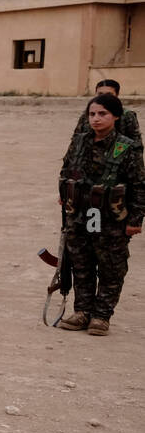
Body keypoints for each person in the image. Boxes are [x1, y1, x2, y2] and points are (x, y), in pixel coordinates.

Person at [56, 93, 145, 335]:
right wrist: (65, 194)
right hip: (79, 215)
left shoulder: (126, 147)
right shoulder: (80, 141)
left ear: (116, 116)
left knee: (111, 268)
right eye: (92, 114)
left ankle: (102, 316)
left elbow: (138, 185)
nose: (96, 119)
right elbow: (66, 170)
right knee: (81, 264)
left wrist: (136, 220)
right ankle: (82, 311)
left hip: (111, 219)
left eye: (102, 114)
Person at [68, 79, 140, 142]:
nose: (104, 97)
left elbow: (135, 142)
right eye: (100, 94)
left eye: (109, 94)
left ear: (117, 95)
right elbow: (76, 139)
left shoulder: (127, 115)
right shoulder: (88, 114)